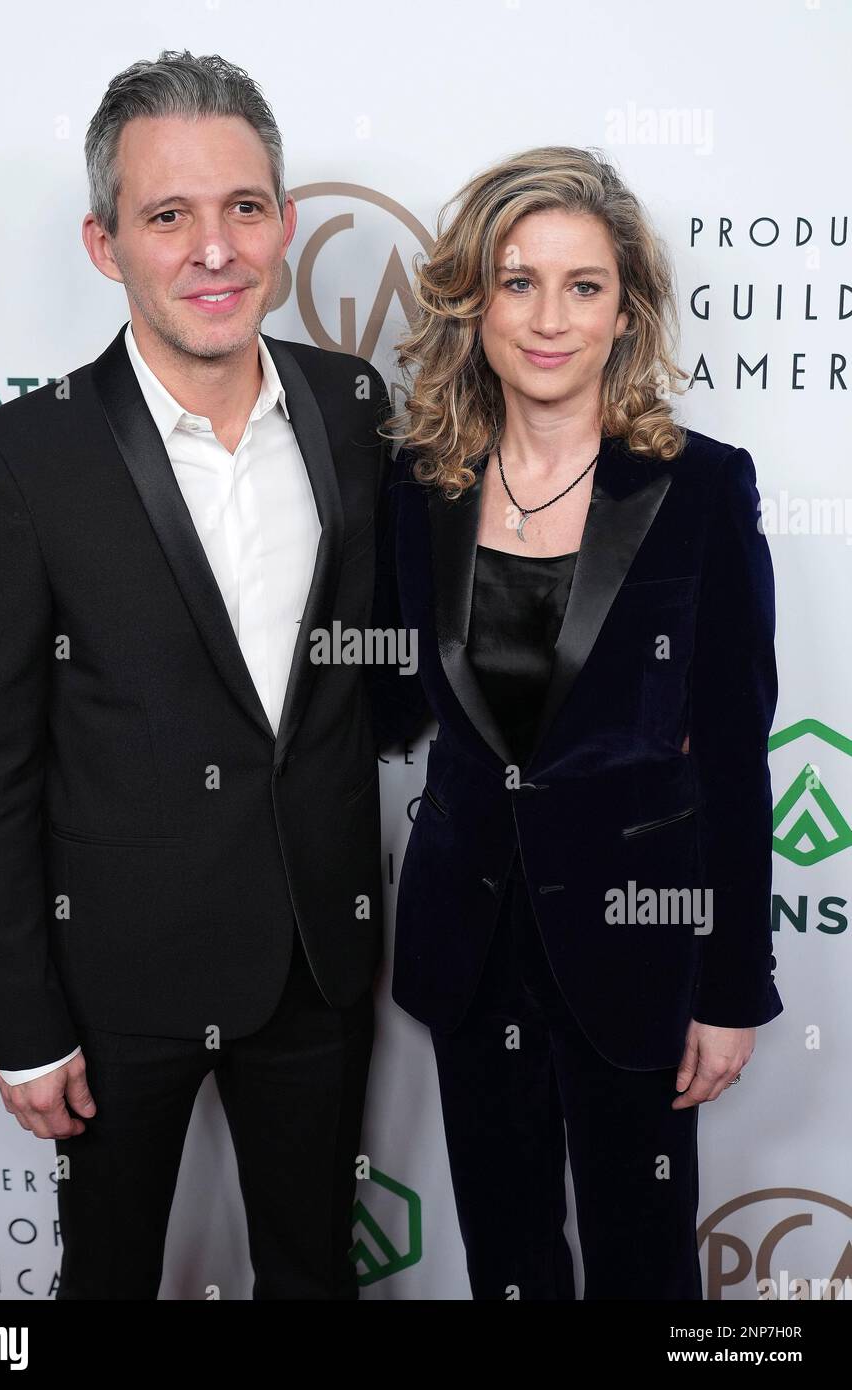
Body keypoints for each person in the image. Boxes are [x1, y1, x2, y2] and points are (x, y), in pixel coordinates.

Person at [0, 50, 389, 1300]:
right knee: (110, 1280)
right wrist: (22, 1021)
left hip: (318, 958)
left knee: (313, 1272)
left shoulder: (354, 407)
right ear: (106, 243)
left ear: (285, 224)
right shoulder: (22, 459)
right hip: (115, 982)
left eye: (244, 207)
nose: (214, 249)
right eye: (168, 215)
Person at [367, 145, 783, 1300]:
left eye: (584, 285)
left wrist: (734, 984)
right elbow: (386, 702)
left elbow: (740, 757)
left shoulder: (700, 487)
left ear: (626, 309)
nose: (549, 318)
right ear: (471, 300)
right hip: (470, 942)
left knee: (645, 1266)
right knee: (507, 1259)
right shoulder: (417, 484)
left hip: (639, 948)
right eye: (517, 280)